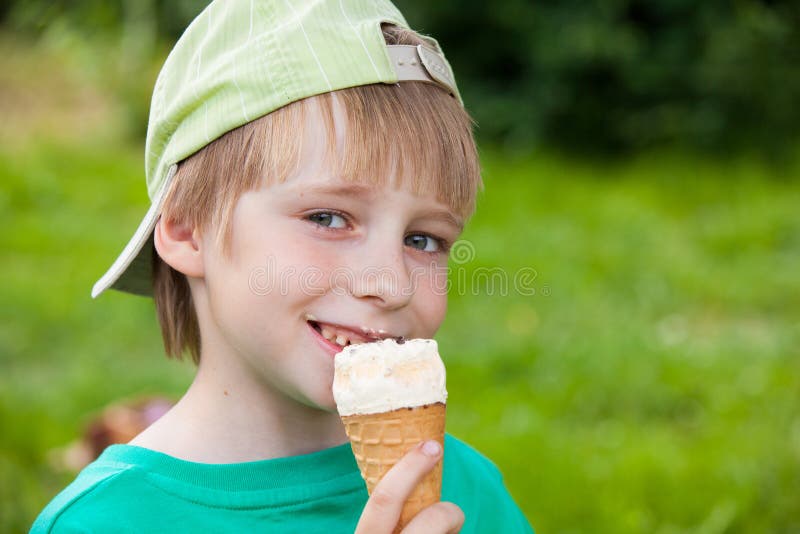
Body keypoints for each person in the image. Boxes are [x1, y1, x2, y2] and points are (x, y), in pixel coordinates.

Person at [32, 1, 534, 532]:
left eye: (422, 239)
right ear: (186, 229)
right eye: (328, 217)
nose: (391, 283)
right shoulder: (105, 521)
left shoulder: (466, 493)